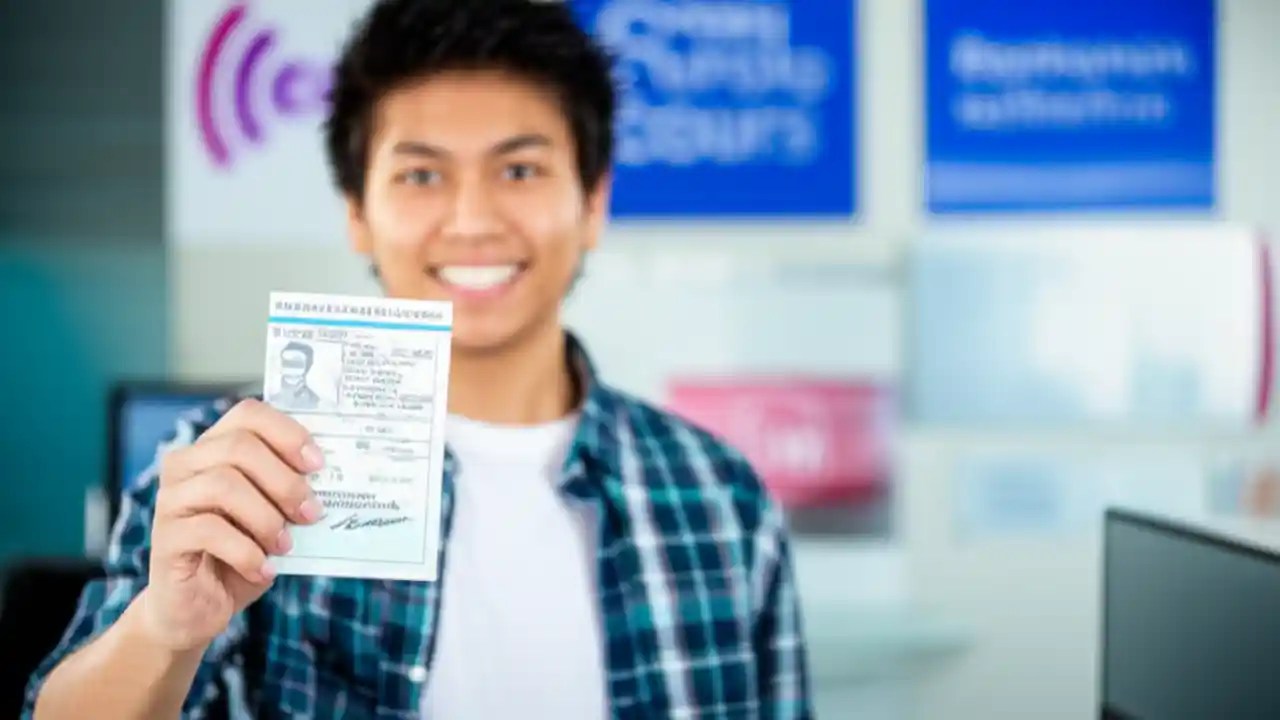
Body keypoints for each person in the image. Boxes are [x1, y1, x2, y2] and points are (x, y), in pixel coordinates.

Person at [25, 1, 812, 718]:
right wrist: (165, 630)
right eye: (422, 174)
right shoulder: (229, 464)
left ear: (594, 202)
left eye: (520, 169)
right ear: (359, 214)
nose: (471, 220)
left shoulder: (723, 500)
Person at [268, 341, 322, 410]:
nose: (289, 366)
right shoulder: (271, 399)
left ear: (307, 365)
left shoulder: (315, 401)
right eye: (285, 361)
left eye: (296, 362)